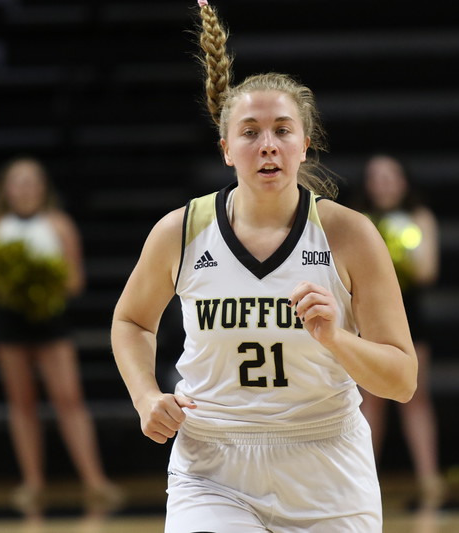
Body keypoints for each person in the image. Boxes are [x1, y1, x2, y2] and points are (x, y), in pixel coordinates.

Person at [110, 2, 418, 532]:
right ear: (227, 149)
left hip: (325, 466)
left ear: (305, 143)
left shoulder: (350, 235)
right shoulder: (180, 231)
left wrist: (336, 338)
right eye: (250, 132)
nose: (267, 144)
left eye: (282, 129)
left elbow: (402, 379)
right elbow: (131, 322)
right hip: (212, 464)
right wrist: (145, 395)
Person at [0, 156, 123, 509]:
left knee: (68, 398)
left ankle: (94, 480)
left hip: (51, 321)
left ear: (43, 188)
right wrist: (13, 278)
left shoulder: (59, 224)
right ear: (6, 189)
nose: (25, 189)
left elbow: (75, 280)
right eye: (17, 182)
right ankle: (32, 482)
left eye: (31, 181)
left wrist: (39, 279)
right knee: (21, 402)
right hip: (9, 322)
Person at [359, 155, 445, 504]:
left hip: (409, 314)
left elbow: (427, 271)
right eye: (376, 177)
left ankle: (429, 477)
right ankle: (364, 479)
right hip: (368, 316)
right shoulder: (360, 221)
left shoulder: (420, 218)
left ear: (404, 181)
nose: (383, 184)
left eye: (390, 176)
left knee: (415, 396)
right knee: (370, 401)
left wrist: (397, 255)